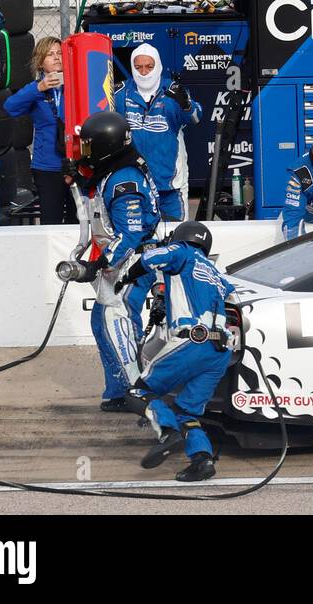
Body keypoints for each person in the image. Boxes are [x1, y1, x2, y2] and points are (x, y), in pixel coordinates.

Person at [120, 221, 235, 482]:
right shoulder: (217, 275)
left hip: (192, 340)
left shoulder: (182, 252)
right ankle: (202, 460)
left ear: (181, 238)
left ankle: (168, 432)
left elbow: (152, 257)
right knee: (188, 410)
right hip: (221, 349)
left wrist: (129, 275)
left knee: (138, 392)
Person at [73, 110, 161, 412]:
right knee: (102, 321)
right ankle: (119, 389)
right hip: (123, 261)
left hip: (135, 261)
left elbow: (131, 233)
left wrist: (100, 265)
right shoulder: (115, 169)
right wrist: (78, 179)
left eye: (87, 146)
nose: (84, 152)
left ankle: (139, 391)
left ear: (104, 146)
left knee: (117, 321)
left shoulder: (125, 180)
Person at [113, 44, 201, 222]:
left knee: (176, 237)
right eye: (138, 67)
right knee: (139, 239)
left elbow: (196, 118)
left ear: (158, 65)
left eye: (149, 66)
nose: (144, 72)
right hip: (135, 183)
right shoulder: (121, 92)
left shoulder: (173, 90)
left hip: (170, 183)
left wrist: (186, 105)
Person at [3, 37, 72, 224]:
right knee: (52, 219)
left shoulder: (76, 84)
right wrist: (38, 88)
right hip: (48, 165)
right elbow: (10, 107)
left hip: (76, 162)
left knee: (79, 220)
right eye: (50, 55)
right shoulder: (36, 89)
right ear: (41, 62)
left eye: (60, 53)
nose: (57, 58)